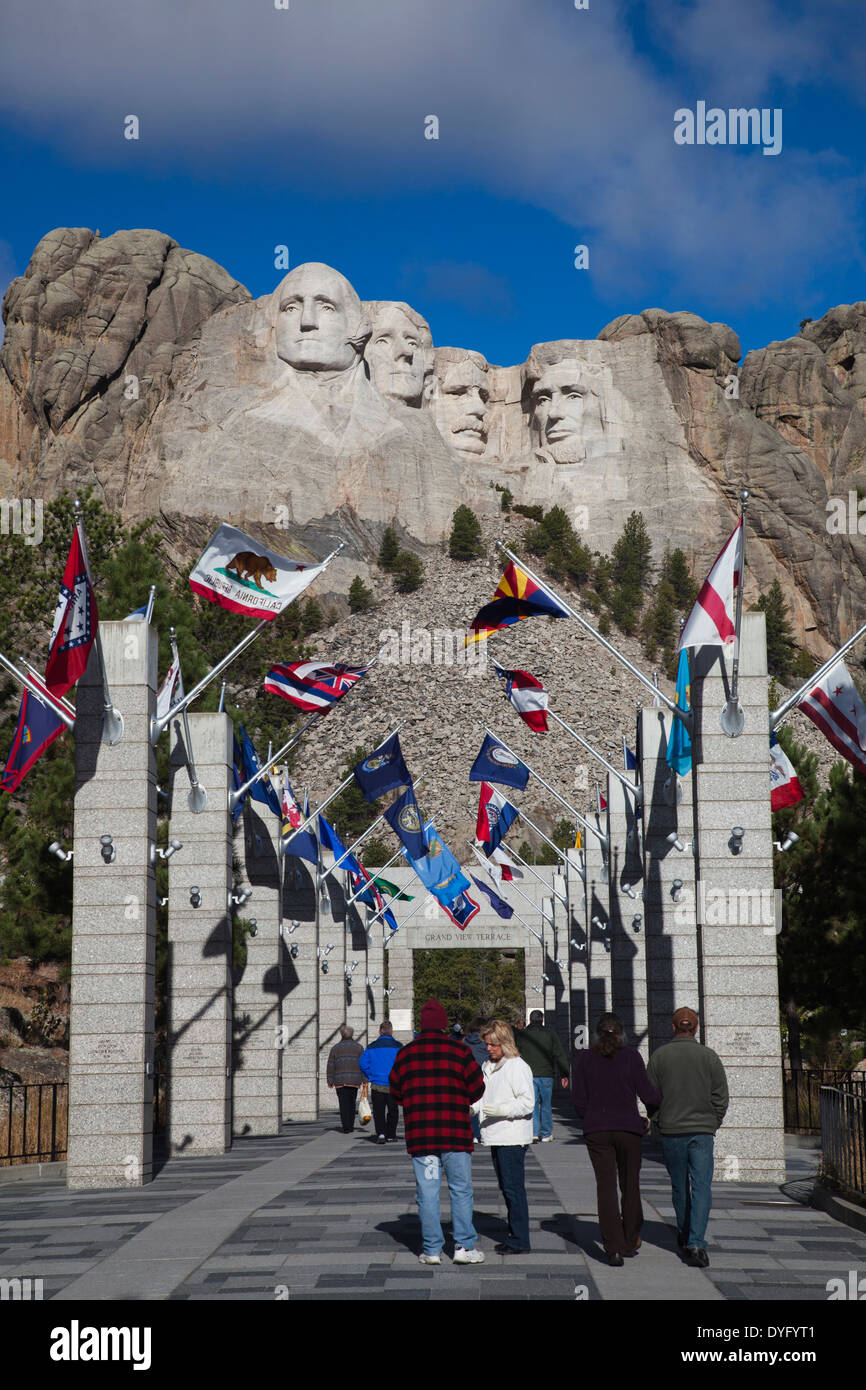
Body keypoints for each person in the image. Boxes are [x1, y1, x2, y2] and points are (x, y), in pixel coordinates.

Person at [388, 998, 486, 1266]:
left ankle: (431, 1249)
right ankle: (464, 1246)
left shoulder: (405, 1054)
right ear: (444, 1025)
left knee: (427, 1192)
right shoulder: (460, 1051)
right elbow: (478, 1088)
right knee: (461, 1190)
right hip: (455, 1134)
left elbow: (395, 1091)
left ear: (423, 1024)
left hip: (421, 1136)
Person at [572, 1014, 661, 1266]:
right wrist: (660, 1102)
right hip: (628, 1129)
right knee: (630, 1184)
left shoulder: (586, 1059)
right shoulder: (631, 1057)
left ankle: (613, 1248)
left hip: (597, 1130)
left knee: (606, 1187)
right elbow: (648, 1094)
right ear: (621, 1034)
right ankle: (631, 1237)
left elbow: (578, 1099)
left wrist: (590, 1117)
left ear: (597, 1034)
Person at [647, 1007, 729, 1268]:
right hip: (702, 1131)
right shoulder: (709, 1056)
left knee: (679, 1186)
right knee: (702, 1186)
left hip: (672, 1130)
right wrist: (713, 1121)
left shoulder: (659, 1057)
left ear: (673, 1027)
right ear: (696, 1028)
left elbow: (651, 1096)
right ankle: (696, 1241)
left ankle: (684, 1235)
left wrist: (658, 1120)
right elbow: (721, 1096)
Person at [473, 1020, 535, 1254]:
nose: (488, 1048)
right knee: (506, 1186)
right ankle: (514, 1233)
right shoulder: (488, 1066)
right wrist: (473, 1108)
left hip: (511, 1136)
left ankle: (520, 1239)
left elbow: (527, 1103)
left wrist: (502, 1109)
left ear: (505, 1043)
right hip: (495, 1134)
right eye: (487, 1044)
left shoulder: (517, 1067)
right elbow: (483, 1096)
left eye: (493, 1045)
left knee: (513, 1188)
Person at [516, 1009, 570, 1142]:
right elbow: (559, 1054)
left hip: (529, 1075)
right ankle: (546, 1133)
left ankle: (534, 1132)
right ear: (542, 1020)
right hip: (546, 1074)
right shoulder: (550, 1034)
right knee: (546, 1104)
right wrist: (564, 1073)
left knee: (532, 1104)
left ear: (530, 1020)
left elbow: (517, 1053)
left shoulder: (523, 1035)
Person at [359, 1020, 402, 1144]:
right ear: (392, 1031)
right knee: (393, 1111)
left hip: (377, 1084)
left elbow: (362, 1063)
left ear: (379, 1031)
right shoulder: (398, 1047)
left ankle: (381, 1134)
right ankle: (391, 1134)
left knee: (379, 1111)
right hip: (393, 1084)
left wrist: (370, 1074)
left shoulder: (371, 1047)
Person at [325, 1024, 365, 1133]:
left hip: (340, 1081)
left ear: (341, 1035)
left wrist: (330, 1080)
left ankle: (346, 1126)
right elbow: (363, 1064)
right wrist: (365, 1079)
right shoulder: (359, 1048)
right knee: (352, 1103)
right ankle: (350, 1125)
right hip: (354, 1081)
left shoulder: (335, 1048)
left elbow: (330, 1065)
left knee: (343, 1104)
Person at [464, 1019, 490, 1143]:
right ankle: (483, 1132)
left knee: (472, 1105)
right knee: (485, 1104)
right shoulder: (486, 1042)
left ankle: (473, 1132)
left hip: (469, 1075)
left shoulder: (465, 1041)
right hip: (484, 1073)